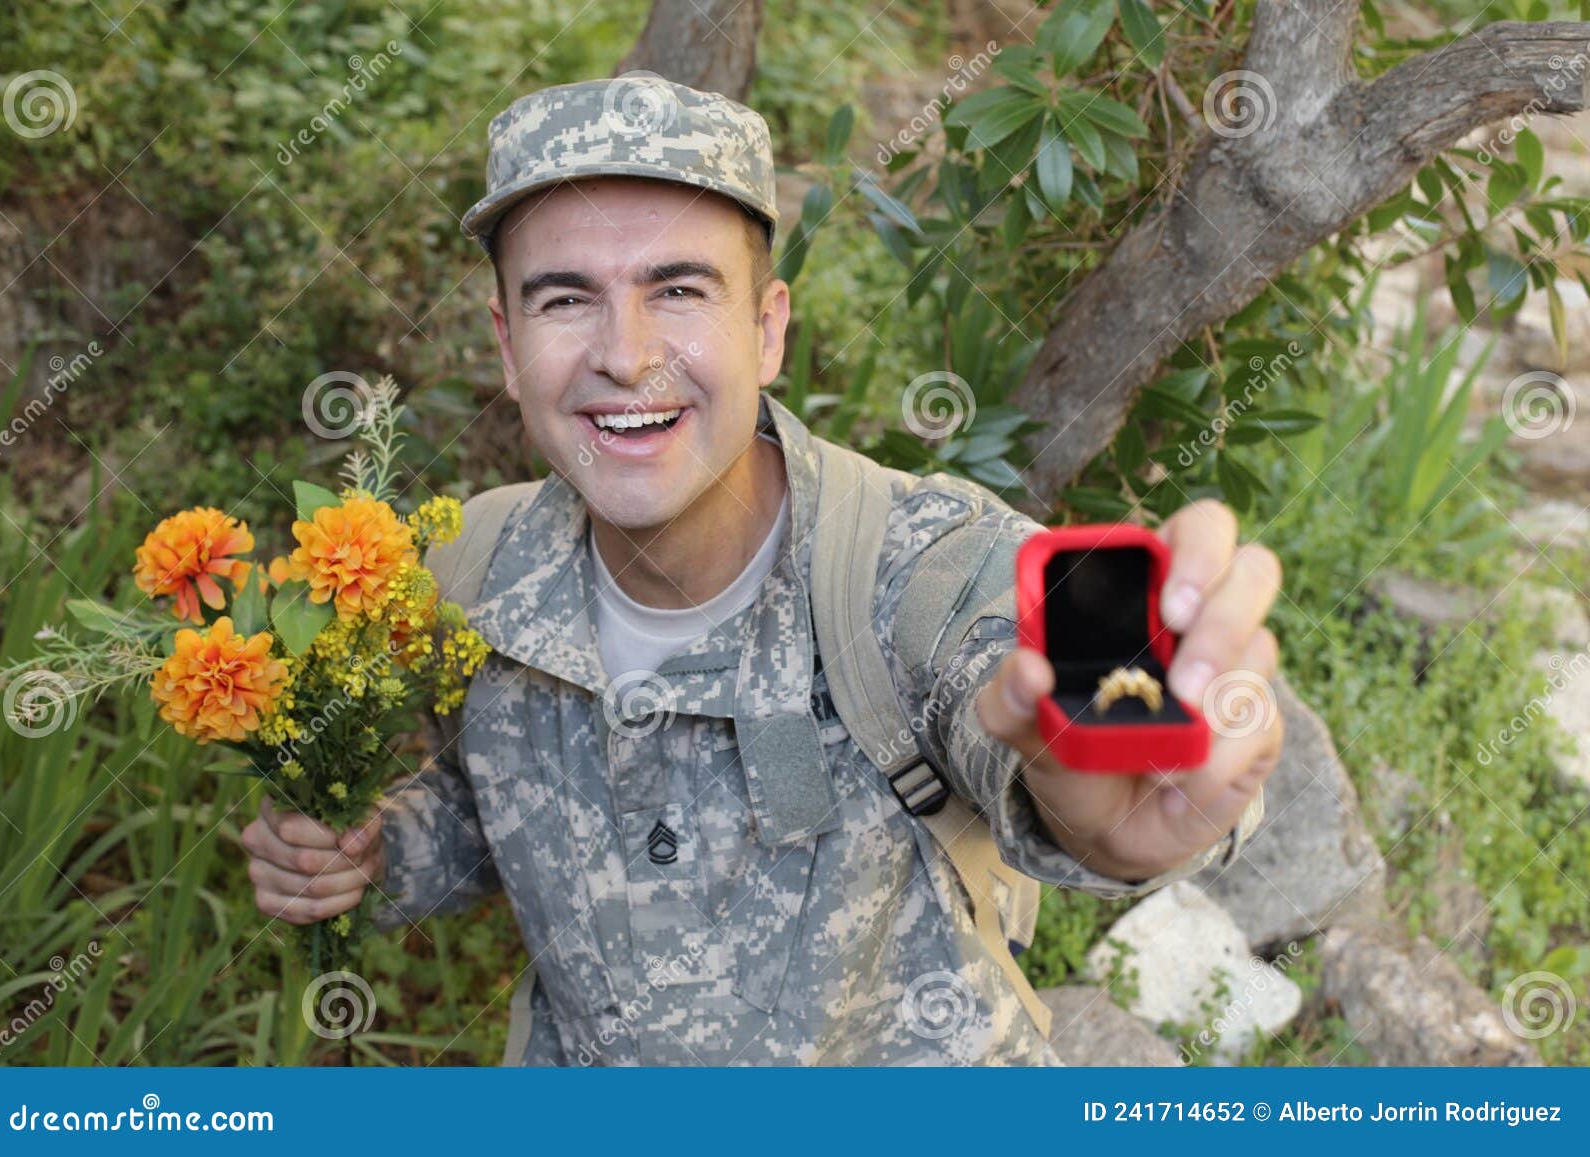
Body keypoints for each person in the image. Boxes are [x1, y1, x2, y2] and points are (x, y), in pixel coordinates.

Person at [239, 75, 1285, 1065]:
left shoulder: (914, 571)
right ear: (508, 347)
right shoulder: (474, 568)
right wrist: (381, 849)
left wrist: (1098, 809)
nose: (624, 352)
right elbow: (492, 795)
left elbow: (1015, 693)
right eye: (566, 300)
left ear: (767, 326)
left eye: (679, 288)